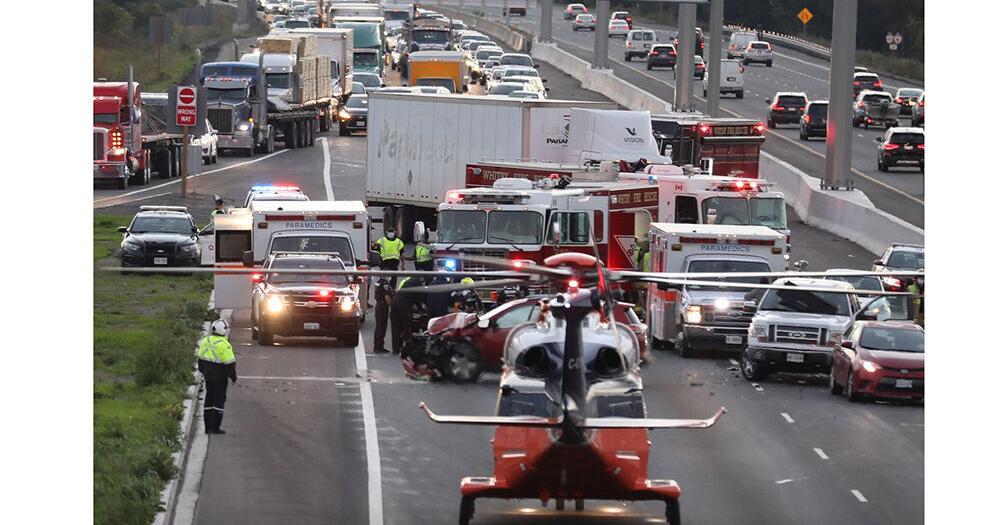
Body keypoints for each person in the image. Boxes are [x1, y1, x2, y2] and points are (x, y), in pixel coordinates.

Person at [196, 319, 238, 435]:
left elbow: (200, 360)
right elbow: (230, 364)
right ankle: (215, 427)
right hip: (220, 379)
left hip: (208, 377)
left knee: (209, 399)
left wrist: (203, 372)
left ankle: (207, 427)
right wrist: (233, 377)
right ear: (223, 330)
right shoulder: (225, 345)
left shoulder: (205, 341)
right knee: (219, 401)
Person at [390, 276, 419, 355]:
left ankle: (396, 349)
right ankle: (408, 348)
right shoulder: (418, 283)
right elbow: (419, 298)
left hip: (395, 301)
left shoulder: (407, 281)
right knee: (406, 325)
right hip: (403, 304)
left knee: (395, 327)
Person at [372, 278, 393, 354]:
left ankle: (378, 346)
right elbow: (387, 297)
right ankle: (379, 347)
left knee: (379, 326)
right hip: (383, 306)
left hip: (378, 305)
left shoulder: (378, 282)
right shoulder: (385, 284)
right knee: (382, 327)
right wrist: (392, 305)